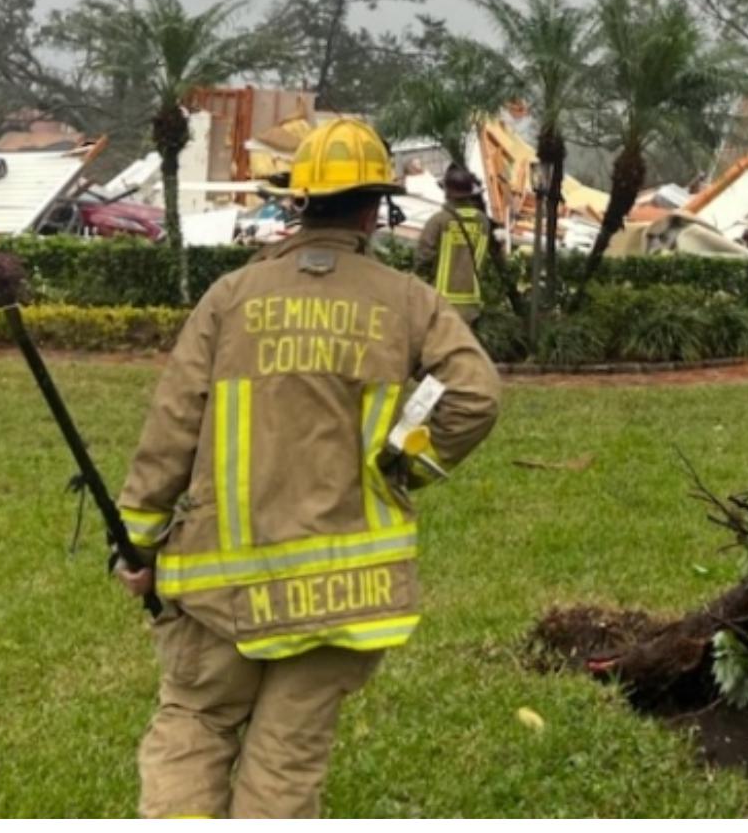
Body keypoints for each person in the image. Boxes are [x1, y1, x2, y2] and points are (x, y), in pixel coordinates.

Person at [112, 119, 501, 819]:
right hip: (342, 593)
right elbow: (474, 395)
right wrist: (403, 464)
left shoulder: (231, 297)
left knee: (196, 725)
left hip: (220, 590)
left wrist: (138, 544)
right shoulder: (408, 302)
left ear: (298, 201)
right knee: (286, 761)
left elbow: (171, 430)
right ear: (373, 209)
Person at [414, 168, 493, 324]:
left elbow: (423, 258)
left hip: (441, 304)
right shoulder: (483, 222)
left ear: (447, 192)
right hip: (471, 305)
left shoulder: (439, 221)